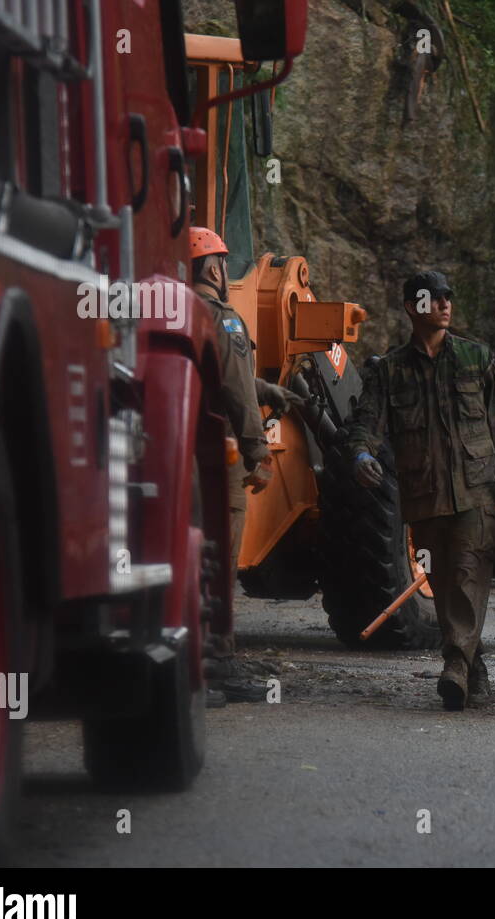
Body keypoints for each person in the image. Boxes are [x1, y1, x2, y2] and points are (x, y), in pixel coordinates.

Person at [345, 270, 495, 710]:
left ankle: (455, 665)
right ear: (412, 307)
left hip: (477, 491)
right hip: (424, 496)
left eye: (449, 296)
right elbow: (366, 425)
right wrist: (360, 456)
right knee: (444, 582)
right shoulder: (389, 370)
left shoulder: (476, 358)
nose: (445, 304)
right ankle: (472, 662)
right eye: (434, 298)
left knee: (467, 572)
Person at [191, 226, 300, 706]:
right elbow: (233, 389)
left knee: (190, 558)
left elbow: (212, 372)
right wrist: (258, 454)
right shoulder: (223, 317)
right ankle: (217, 663)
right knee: (219, 560)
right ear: (213, 267)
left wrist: (268, 389)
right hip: (220, 458)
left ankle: (195, 658)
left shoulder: (170, 310)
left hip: (180, 459)